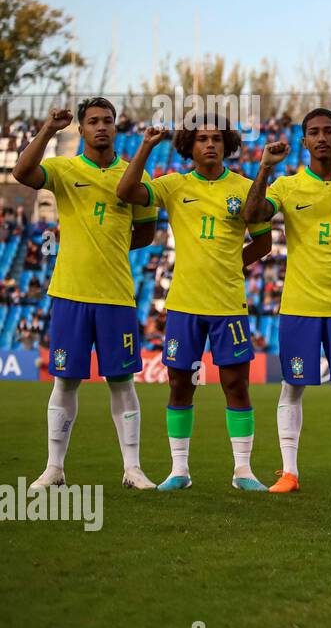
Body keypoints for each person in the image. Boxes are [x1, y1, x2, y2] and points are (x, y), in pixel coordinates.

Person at [116, 118, 273, 490]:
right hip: (184, 304)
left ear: (228, 144)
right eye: (201, 139)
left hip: (229, 304)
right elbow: (126, 191)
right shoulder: (173, 185)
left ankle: (243, 472)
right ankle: (180, 471)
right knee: (179, 383)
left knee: (236, 385)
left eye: (217, 139)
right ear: (189, 144)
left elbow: (264, 243)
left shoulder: (245, 188)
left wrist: (228, 264)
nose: (210, 145)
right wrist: (147, 147)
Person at [14, 100, 159, 490]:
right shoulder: (64, 169)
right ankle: (54, 469)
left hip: (116, 296)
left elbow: (146, 232)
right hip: (70, 294)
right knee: (65, 381)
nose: (101, 127)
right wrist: (47, 129)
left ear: (116, 128)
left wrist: (107, 247)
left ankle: (132, 469)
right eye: (92, 122)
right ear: (81, 130)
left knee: (122, 382)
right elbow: (22, 171)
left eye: (107, 121)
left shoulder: (134, 177)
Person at [242, 107, 331, 494]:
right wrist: (266, 167)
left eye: (328, 131)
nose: (322, 138)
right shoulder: (287, 187)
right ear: (304, 141)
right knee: (292, 386)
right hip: (299, 306)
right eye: (314, 132)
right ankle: (289, 472)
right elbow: (252, 216)